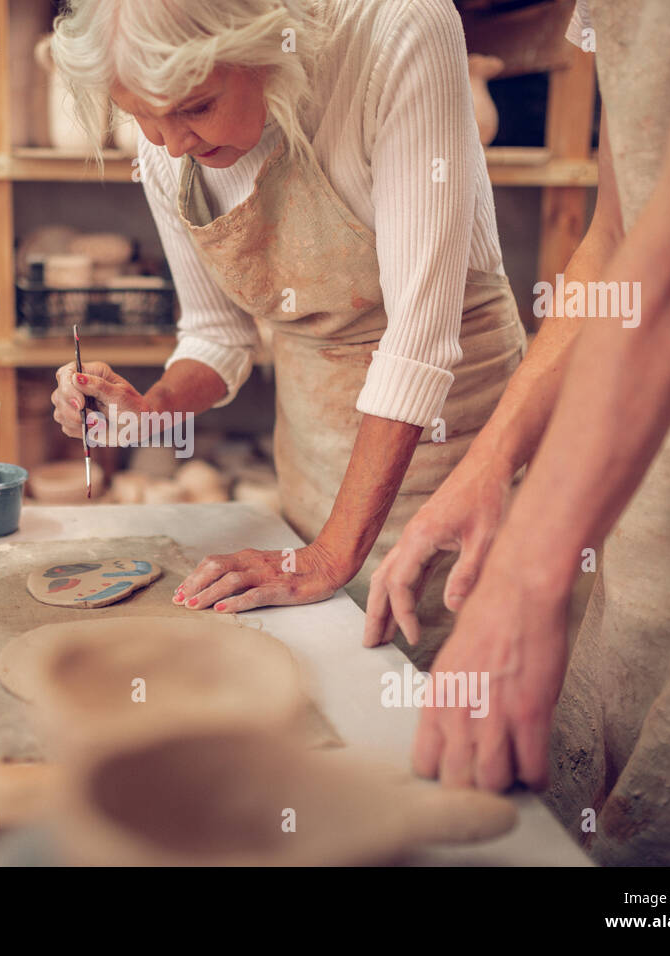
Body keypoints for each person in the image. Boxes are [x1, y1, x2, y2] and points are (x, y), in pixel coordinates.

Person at [367, 0, 670, 864]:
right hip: (643, 444)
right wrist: (493, 462)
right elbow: (617, 240)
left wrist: (527, 576)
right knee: (587, 818)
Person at [48, 0, 526, 666]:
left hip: (454, 447)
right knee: (338, 692)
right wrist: (148, 411)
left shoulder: (398, 28)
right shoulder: (167, 143)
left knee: (452, 707)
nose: (170, 145)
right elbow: (219, 335)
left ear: (262, 39)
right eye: (139, 117)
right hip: (314, 468)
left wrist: (328, 555)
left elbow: (419, 338)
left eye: (195, 108)